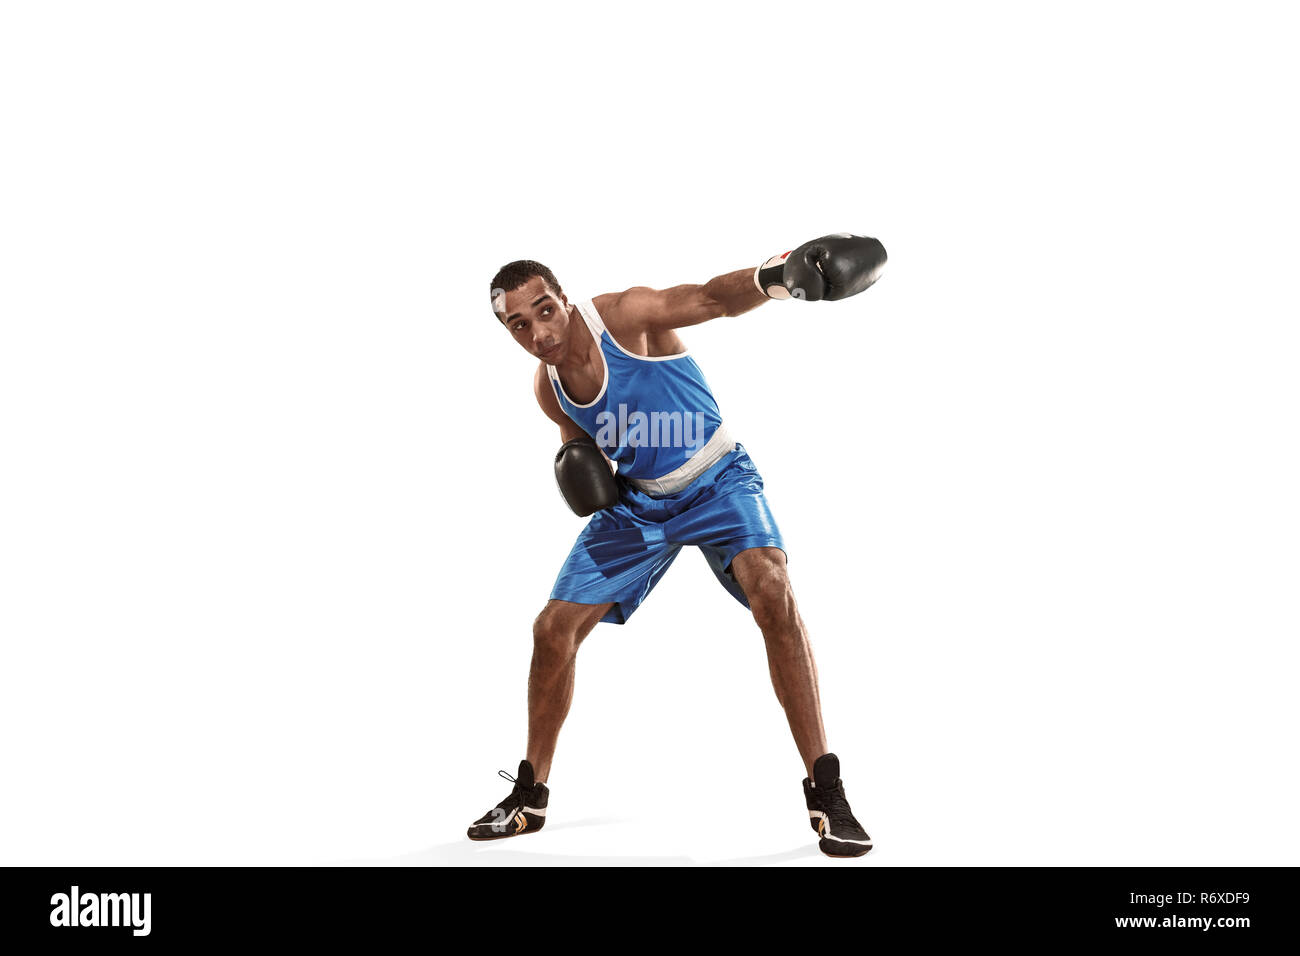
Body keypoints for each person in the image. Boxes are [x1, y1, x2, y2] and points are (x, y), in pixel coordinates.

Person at [468, 234, 887, 857]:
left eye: (545, 310)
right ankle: (530, 796)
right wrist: (578, 463)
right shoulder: (547, 389)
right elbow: (585, 446)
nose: (540, 333)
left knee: (773, 589)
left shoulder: (624, 318)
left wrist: (775, 278)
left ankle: (827, 792)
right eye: (518, 325)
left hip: (718, 481)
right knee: (552, 629)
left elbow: (709, 299)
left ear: (564, 298)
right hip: (641, 506)